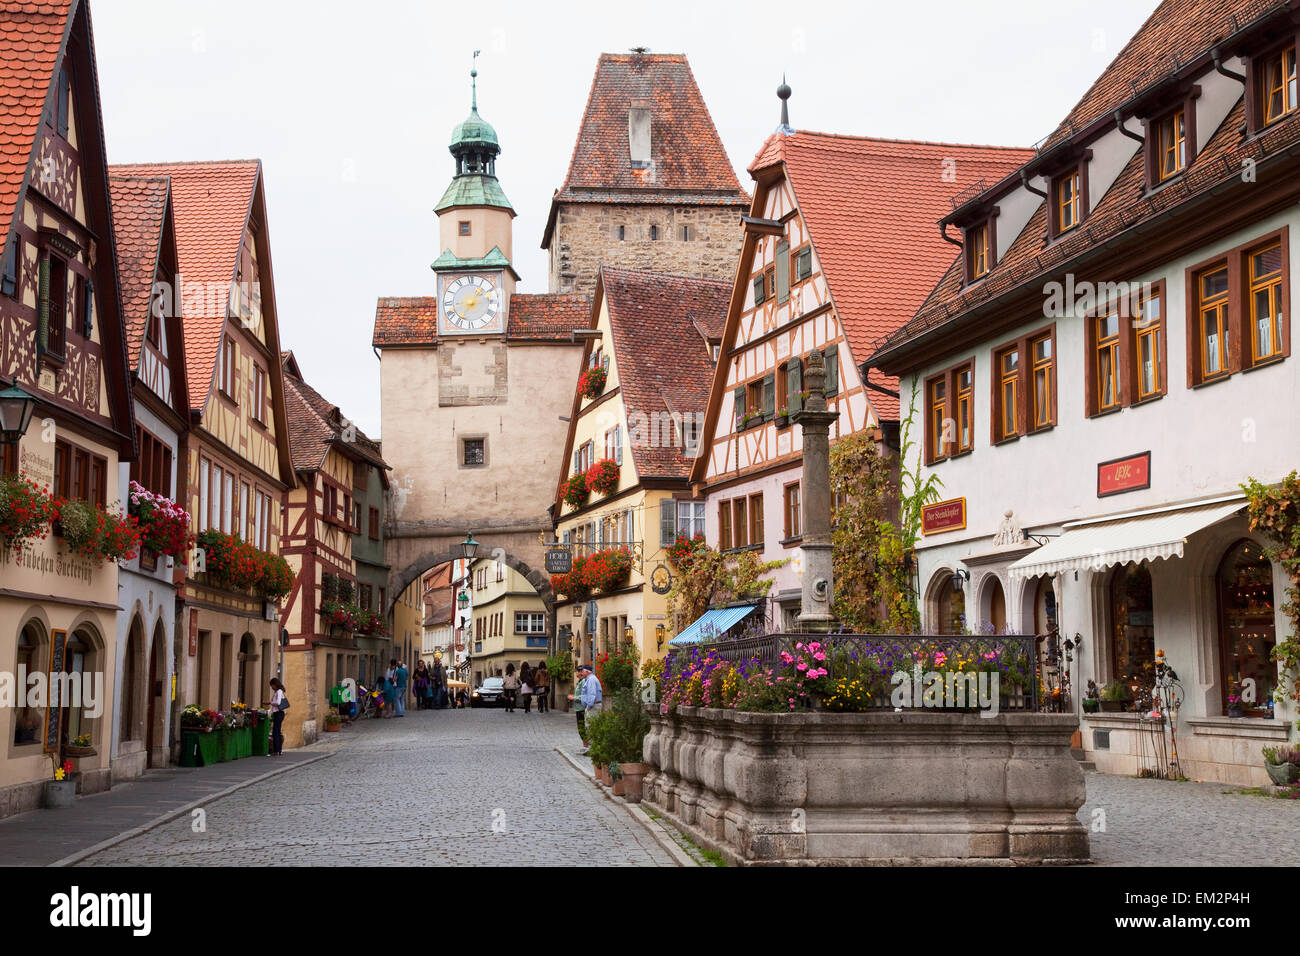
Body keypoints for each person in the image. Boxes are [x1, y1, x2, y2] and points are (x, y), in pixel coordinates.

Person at [264, 678, 288, 756]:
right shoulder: (278, 692)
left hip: (279, 713)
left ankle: (277, 750)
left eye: (272, 686)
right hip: (278, 713)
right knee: (276, 731)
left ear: (275, 684)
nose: (271, 687)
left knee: (276, 732)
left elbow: (278, 702)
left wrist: (270, 702)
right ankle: (278, 750)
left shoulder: (279, 691)